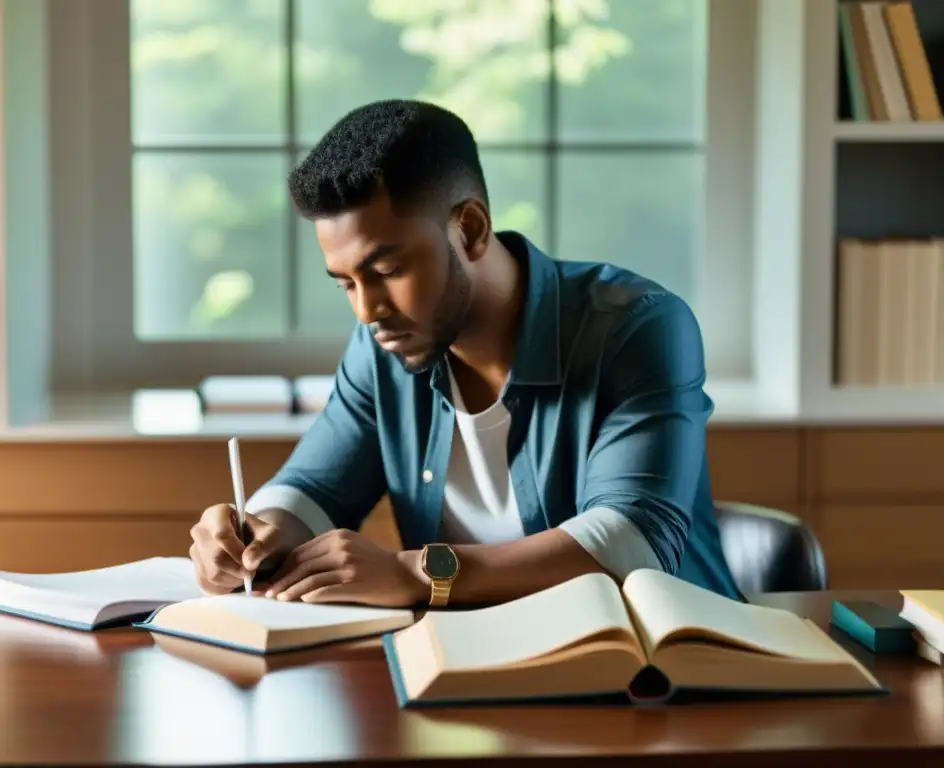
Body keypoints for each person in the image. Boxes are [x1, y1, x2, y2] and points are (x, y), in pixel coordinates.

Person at [189, 99, 742, 608]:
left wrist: (416, 574)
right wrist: (256, 531)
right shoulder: (385, 346)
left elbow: (631, 540)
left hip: (666, 676)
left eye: (385, 272)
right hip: (469, 673)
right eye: (346, 283)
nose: (366, 310)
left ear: (470, 228)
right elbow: (314, 487)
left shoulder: (638, 327)